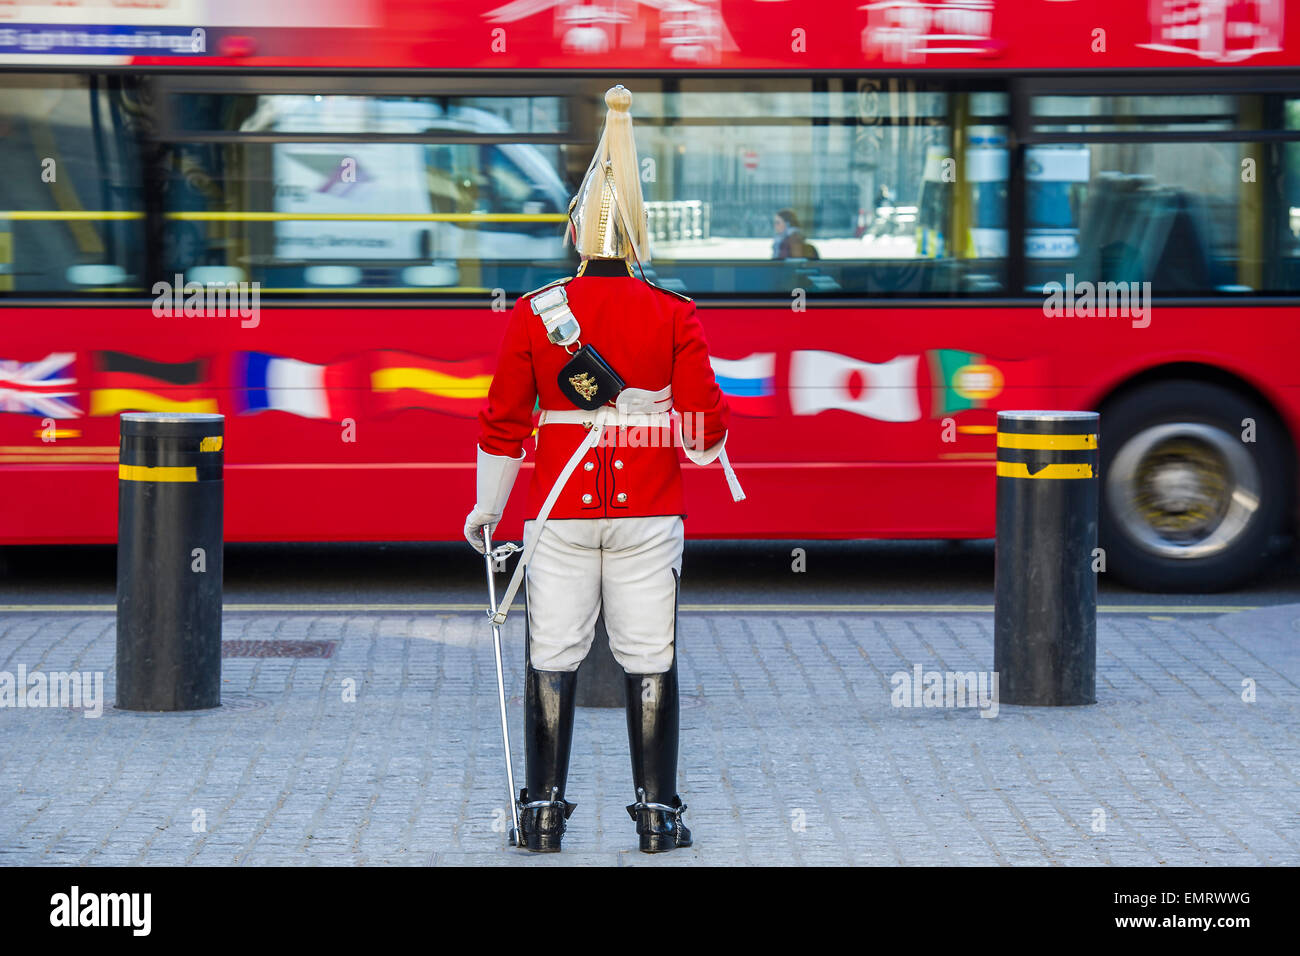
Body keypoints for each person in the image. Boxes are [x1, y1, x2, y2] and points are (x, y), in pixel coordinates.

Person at [463, 85, 743, 854]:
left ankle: (542, 816)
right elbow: (704, 430)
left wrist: (487, 509)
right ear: (639, 237)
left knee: (552, 656)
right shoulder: (675, 313)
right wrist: (674, 426)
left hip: (558, 514)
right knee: (649, 658)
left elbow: (503, 423)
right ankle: (660, 820)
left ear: (578, 235)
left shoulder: (534, 312)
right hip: (649, 513)